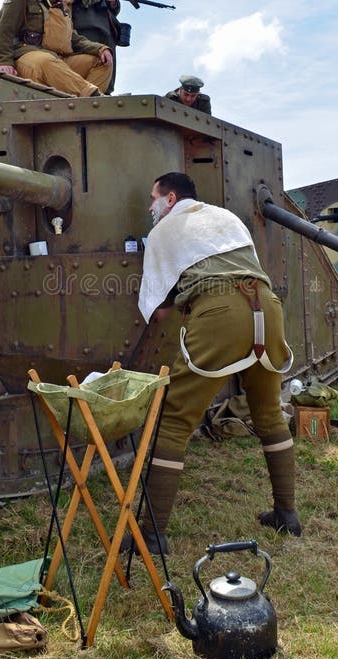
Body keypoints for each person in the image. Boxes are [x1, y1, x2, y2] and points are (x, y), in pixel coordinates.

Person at [126, 172, 301, 556]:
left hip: (219, 310)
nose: (149, 207)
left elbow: (157, 314)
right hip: (267, 307)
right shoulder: (227, 217)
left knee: (173, 419)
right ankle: (286, 514)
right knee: (269, 412)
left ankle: (152, 537)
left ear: (170, 199)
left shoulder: (162, 232)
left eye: (152, 199)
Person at [0, 0, 113, 97]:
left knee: (102, 61)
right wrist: (4, 61)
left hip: (58, 64)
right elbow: (4, 32)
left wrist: (100, 49)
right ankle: (93, 98)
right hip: (29, 60)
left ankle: (82, 107)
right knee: (46, 61)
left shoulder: (61, 10)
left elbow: (75, 39)